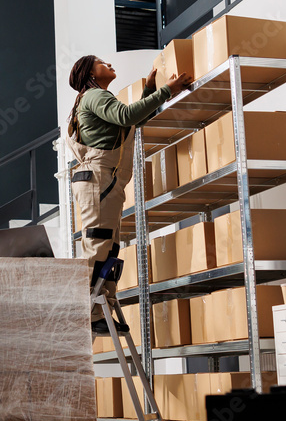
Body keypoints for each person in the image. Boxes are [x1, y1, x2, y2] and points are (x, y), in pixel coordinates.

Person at [66, 56, 192, 333]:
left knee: (108, 247)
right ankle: (83, 313)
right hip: (99, 179)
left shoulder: (96, 98)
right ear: (89, 73)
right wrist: (168, 90)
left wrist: (150, 92)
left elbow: (132, 120)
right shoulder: (94, 95)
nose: (108, 63)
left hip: (105, 180)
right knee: (98, 245)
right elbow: (126, 116)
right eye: (100, 62)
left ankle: (100, 311)